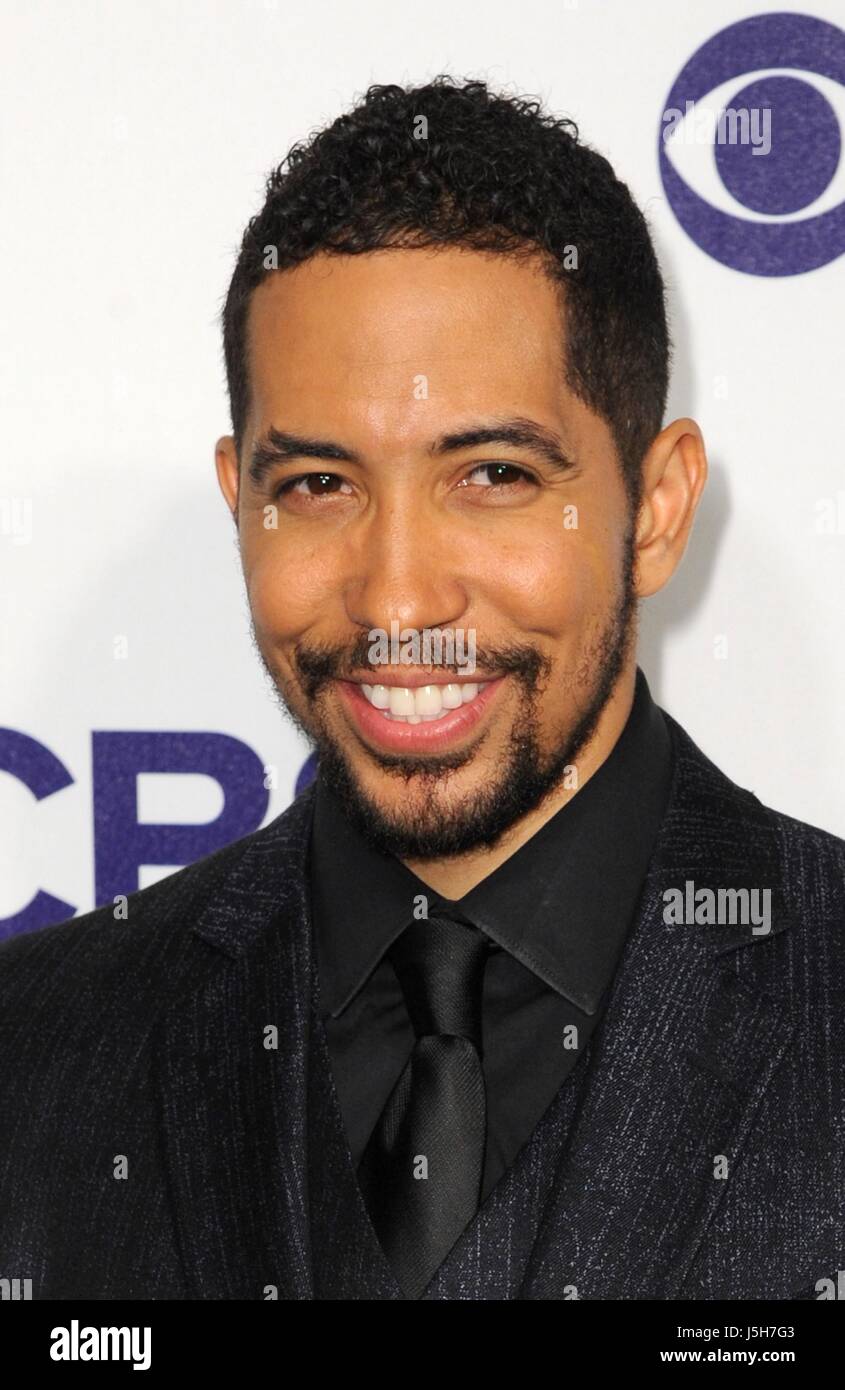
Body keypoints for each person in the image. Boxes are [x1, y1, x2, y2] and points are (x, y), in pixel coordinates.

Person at [0, 76, 842, 1302]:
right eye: (318, 486)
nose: (397, 601)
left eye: (492, 473)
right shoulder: (35, 1052)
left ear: (654, 510)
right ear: (241, 498)